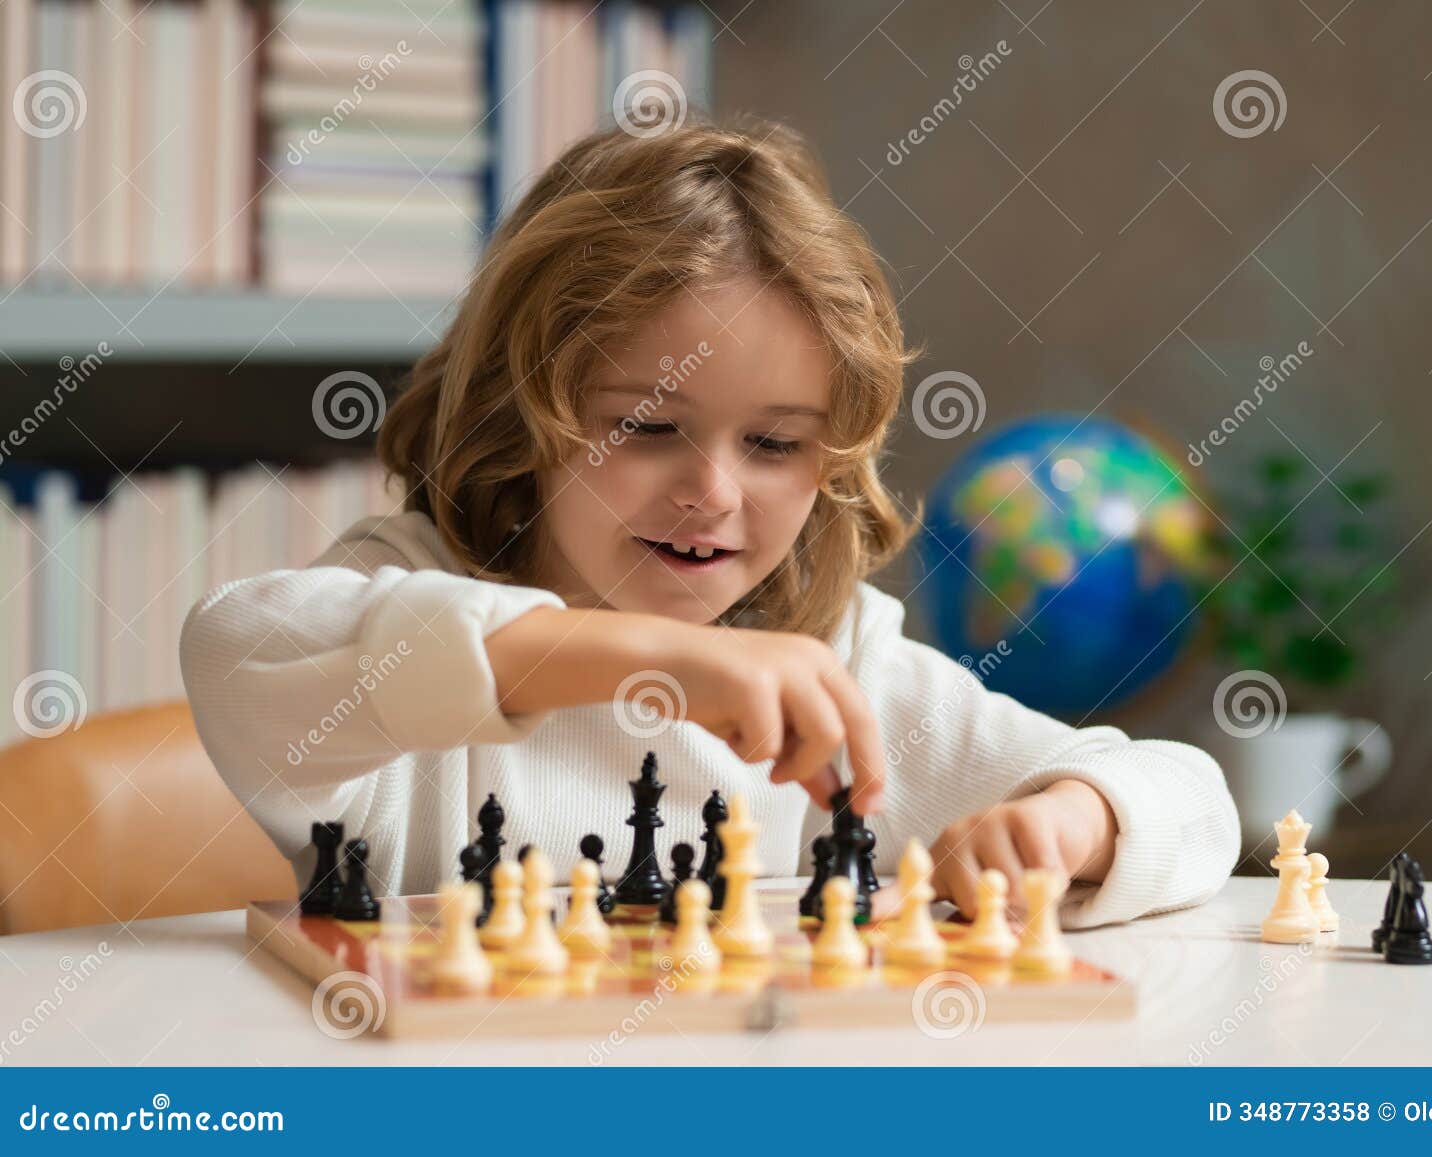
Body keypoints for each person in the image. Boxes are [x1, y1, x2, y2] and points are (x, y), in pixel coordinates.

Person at [180, 117, 1239, 925]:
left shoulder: (834, 660)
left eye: (774, 444)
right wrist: (652, 658)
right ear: (526, 415)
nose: (714, 493)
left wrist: (1068, 822)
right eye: (647, 427)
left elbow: (1191, 797)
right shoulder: (414, 602)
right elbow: (234, 646)